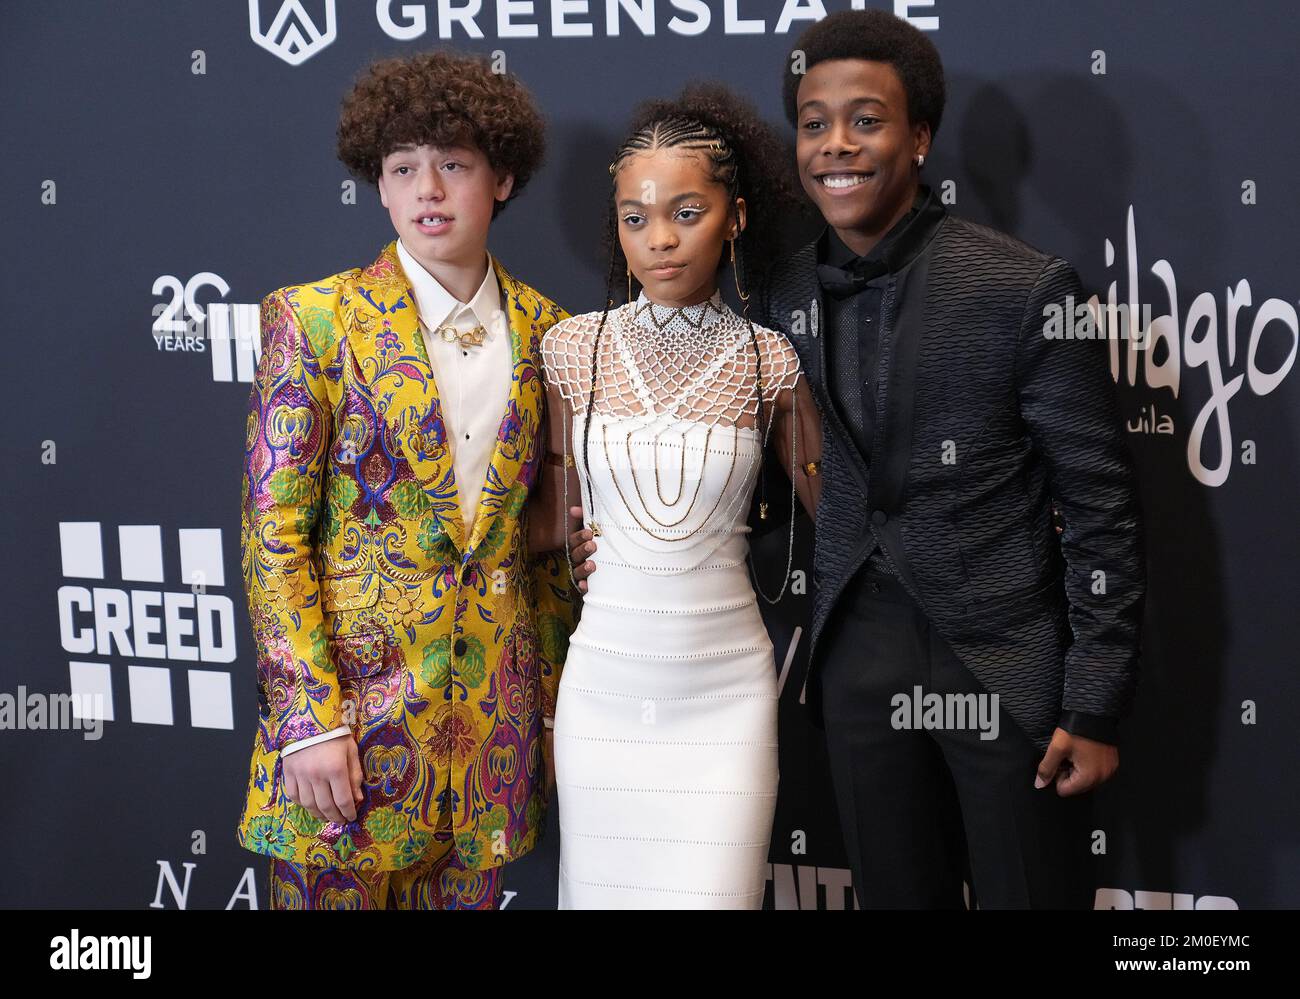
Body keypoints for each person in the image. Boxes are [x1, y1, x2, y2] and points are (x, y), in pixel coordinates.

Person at [747, 9, 1146, 908]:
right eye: (814, 123)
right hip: (855, 661)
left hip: (1002, 661)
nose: (836, 144)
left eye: (866, 120)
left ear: (920, 137)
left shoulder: (1024, 287)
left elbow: (1101, 508)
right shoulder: (778, 292)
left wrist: (1094, 701)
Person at [235, 50, 580, 910]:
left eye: (453, 165)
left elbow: (543, 551)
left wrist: (549, 710)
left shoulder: (555, 334)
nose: (428, 189)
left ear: (502, 179)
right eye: (403, 168)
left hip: (490, 743)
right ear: (379, 187)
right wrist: (307, 718)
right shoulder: (314, 319)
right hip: (345, 741)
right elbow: (274, 535)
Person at [531, 83, 823, 909]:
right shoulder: (571, 351)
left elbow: (841, 519)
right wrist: (556, 539)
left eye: (686, 213)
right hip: (604, 693)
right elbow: (543, 519)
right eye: (635, 218)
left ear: (735, 217)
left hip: (725, 698)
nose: (659, 239)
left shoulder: (770, 362)